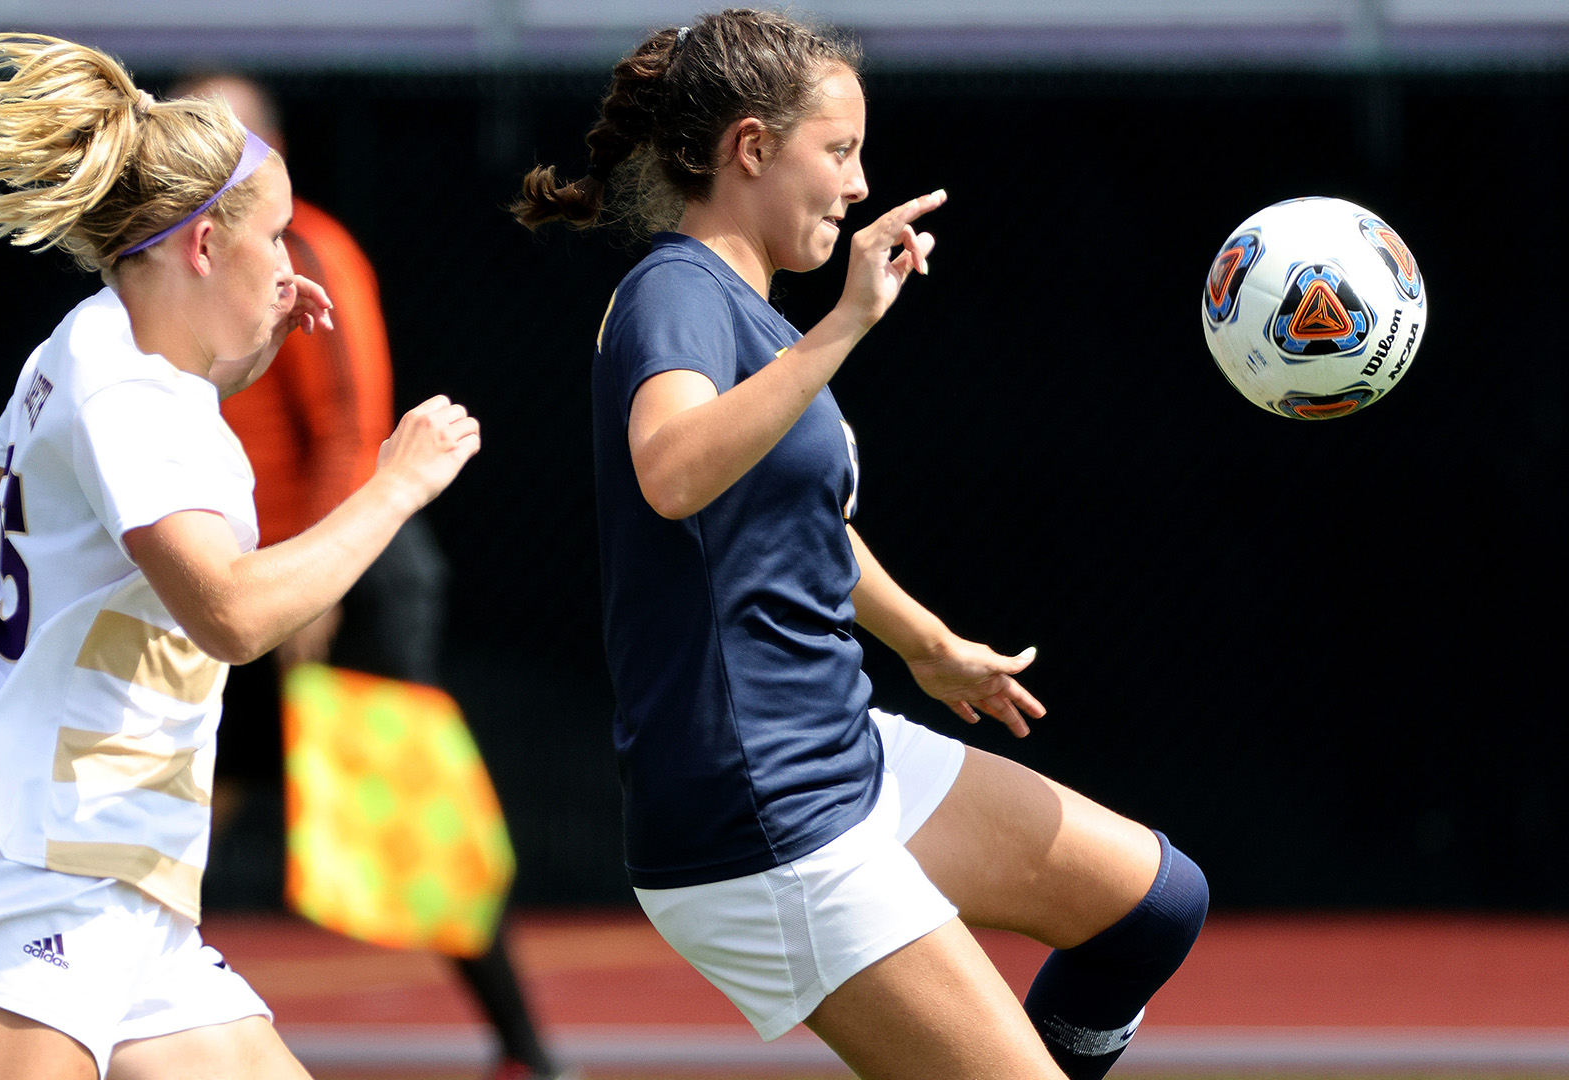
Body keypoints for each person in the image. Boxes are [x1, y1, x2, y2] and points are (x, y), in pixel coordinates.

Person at [513, 10, 1206, 1080]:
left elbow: (809, 528)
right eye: (837, 152)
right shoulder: (674, 292)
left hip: (840, 755)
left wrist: (928, 643)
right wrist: (846, 325)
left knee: (1155, 904)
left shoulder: (759, 321)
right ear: (751, 149)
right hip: (761, 816)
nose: (857, 181)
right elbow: (672, 467)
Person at [0, 33, 479, 1080]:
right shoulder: (135, 396)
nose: (295, 263)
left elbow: (30, 490)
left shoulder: (85, 345)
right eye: (280, 236)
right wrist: (398, 485)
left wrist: (235, 360)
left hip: (128, 883)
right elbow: (236, 615)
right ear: (205, 246)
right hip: (45, 870)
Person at [172, 73, 568, 1080]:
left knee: (416, 824)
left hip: (341, 582)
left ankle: (527, 1051)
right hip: (252, 580)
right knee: (186, 798)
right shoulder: (187, 270)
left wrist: (319, 584)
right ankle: (124, 1003)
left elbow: (349, 428)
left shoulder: (303, 254)